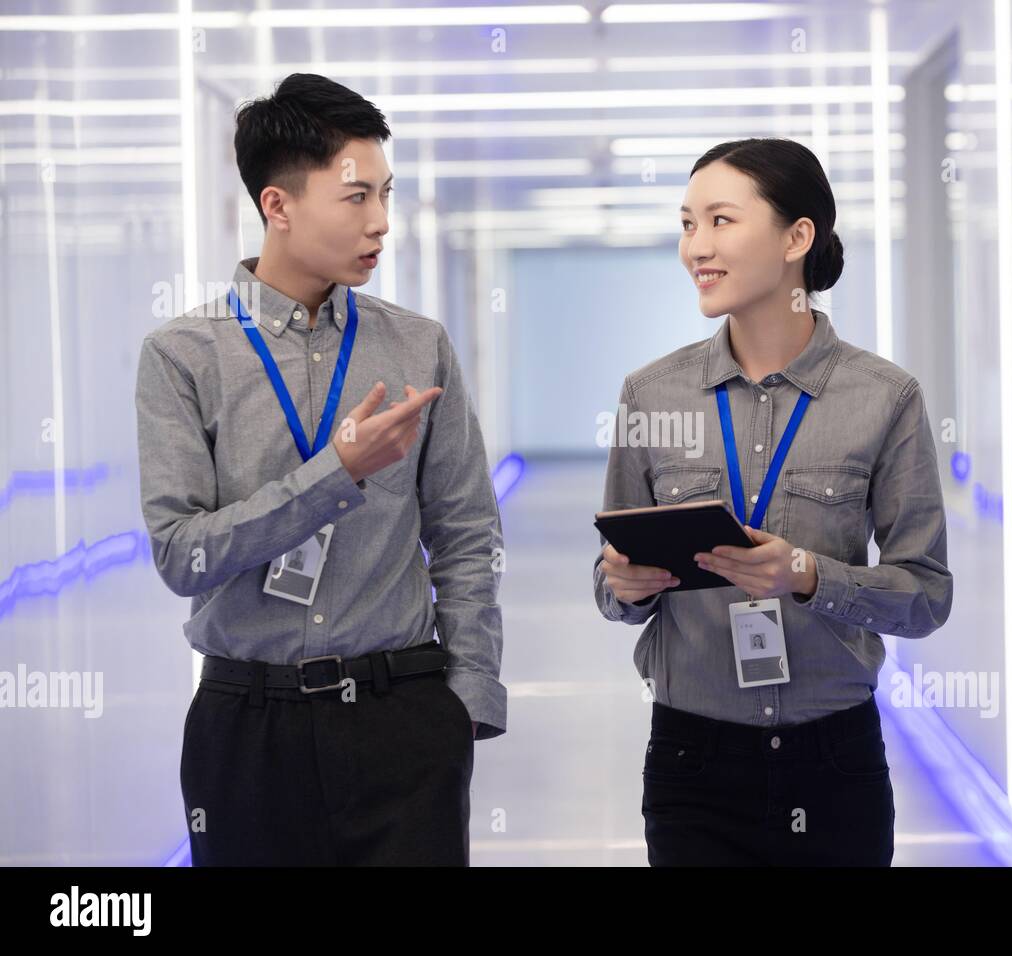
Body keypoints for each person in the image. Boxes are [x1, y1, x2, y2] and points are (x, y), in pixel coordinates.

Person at [134, 73, 506, 866]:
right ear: (278, 206)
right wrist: (334, 475)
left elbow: (467, 529)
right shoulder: (183, 357)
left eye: (386, 194)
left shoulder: (418, 344)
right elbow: (180, 554)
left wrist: (467, 697)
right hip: (247, 728)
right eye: (355, 197)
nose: (380, 222)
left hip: (402, 717)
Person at [594, 138, 953, 866]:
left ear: (798, 237)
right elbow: (610, 586)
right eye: (687, 224)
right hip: (692, 758)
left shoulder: (885, 399)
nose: (697, 246)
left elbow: (925, 597)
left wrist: (809, 576)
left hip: (835, 761)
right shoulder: (650, 395)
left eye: (721, 220)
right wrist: (622, 587)